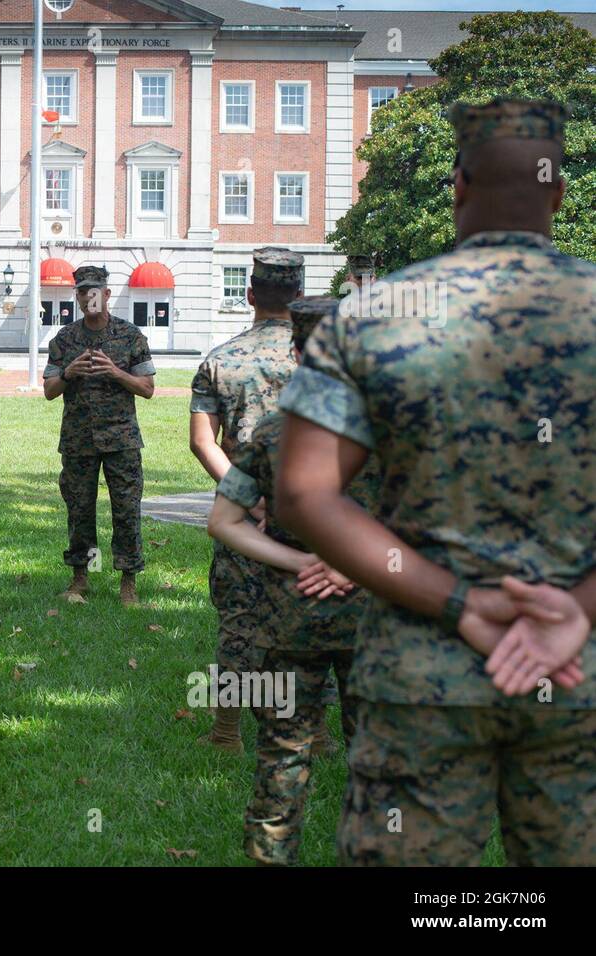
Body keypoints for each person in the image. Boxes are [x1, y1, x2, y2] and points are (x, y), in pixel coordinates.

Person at [276, 97, 596, 865]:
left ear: (457, 185)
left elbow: (304, 493)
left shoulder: (370, 315)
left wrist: (463, 604)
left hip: (422, 677)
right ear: (558, 192)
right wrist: (576, 609)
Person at [207, 295, 379, 865]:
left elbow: (224, 521)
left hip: (288, 617)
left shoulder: (274, 434)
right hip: (376, 621)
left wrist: (298, 560)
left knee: (280, 762)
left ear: (297, 351)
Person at [189, 248, 304, 753]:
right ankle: (310, 732)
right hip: (311, 512)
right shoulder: (319, 361)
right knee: (306, 619)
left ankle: (226, 730)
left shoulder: (219, 361)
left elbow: (202, 441)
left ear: (251, 294)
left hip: (241, 514)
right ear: (298, 295)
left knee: (239, 622)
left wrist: (246, 498)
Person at [43, 265, 156, 605]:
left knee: (125, 509)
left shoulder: (130, 335)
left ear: (106, 295)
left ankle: (128, 582)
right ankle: (82, 578)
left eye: (95, 291)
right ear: (77, 297)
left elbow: (148, 388)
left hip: (121, 439)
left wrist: (116, 372)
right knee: (80, 509)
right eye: (82, 292)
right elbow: (49, 390)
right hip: (79, 440)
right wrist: (68, 372)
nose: (89, 297)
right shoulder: (64, 339)